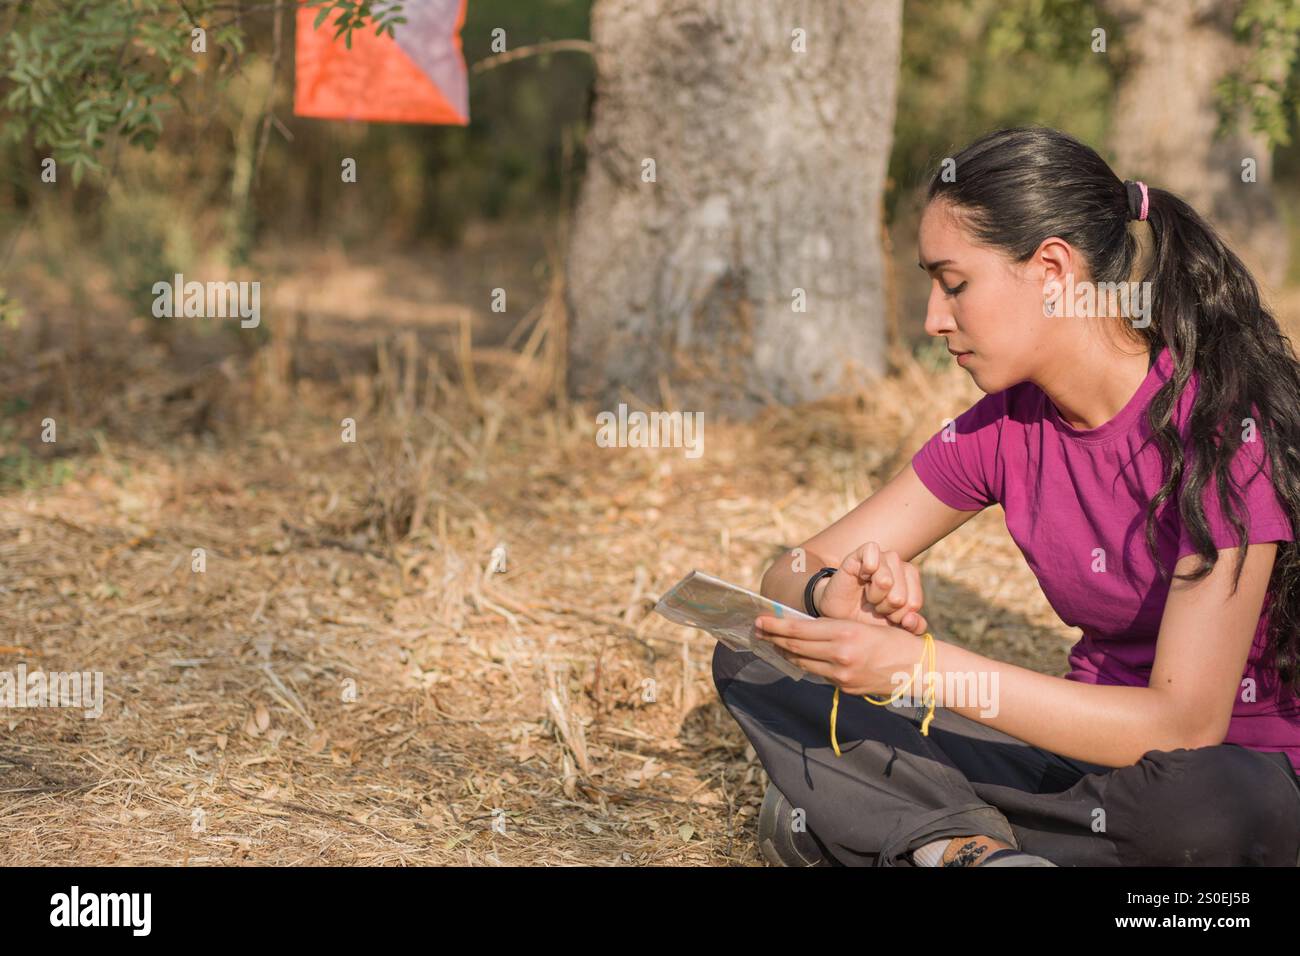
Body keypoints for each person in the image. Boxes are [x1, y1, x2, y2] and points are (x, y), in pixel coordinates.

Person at [713, 125, 1300, 867]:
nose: (932, 319)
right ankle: (967, 847)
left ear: (1052, 268)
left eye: (954, 283)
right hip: (1075, 773)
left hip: (1218, 786)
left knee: (1198, 805)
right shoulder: (1001, 427)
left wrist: (925, 670)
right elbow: (788, 569)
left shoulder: (1218, 434)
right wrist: (832, 591)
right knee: (761, 658)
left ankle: (886, 826)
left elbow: (1182, 725)